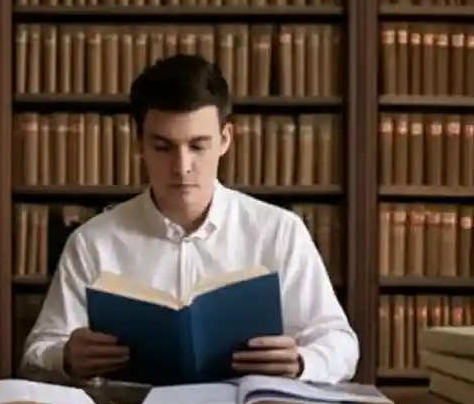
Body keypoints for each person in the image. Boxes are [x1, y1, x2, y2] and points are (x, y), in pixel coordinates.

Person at [18, 53, 359, 385]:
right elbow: (36, 352)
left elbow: (341, 345)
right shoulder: (94, 241)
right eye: (164, 147)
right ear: (140, 144)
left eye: (198, 146)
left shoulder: (279, 232)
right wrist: (64, 357)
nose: (182, 167)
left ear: (225, 140)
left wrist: (301, 361)